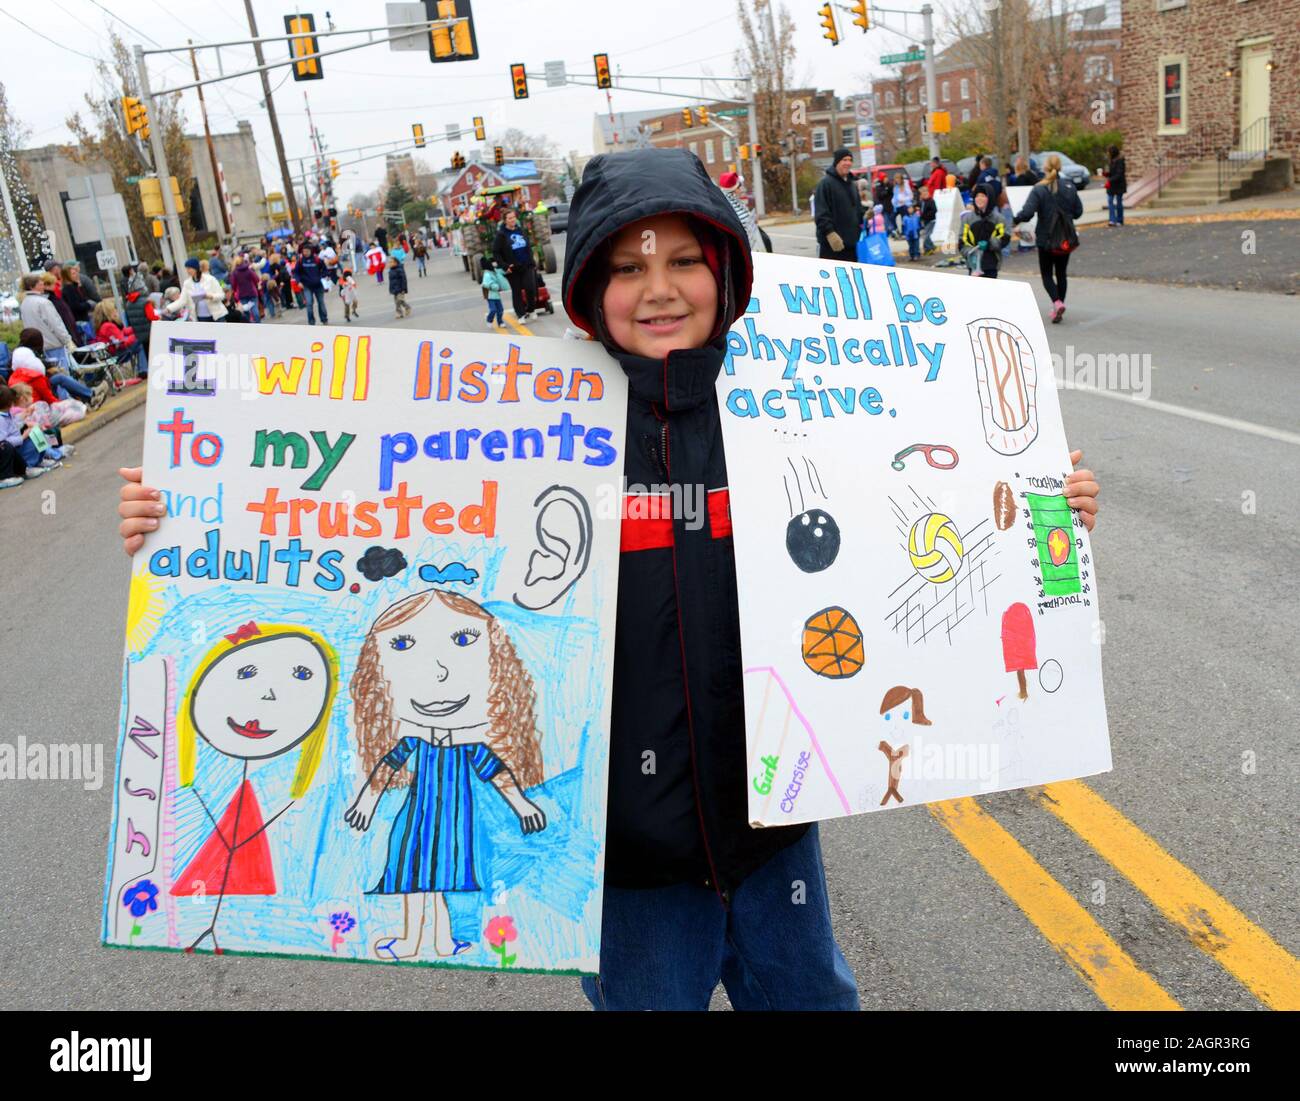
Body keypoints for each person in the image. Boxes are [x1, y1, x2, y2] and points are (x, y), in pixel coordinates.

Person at [116, 146, 1104, 1012]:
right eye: (627, 269)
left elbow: (920, 513)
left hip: (772, 840)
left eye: (684, 260)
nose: (660, 286)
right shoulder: (527, 440)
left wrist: (1038, 509)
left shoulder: (795, 416)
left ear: (724, 272)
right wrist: (186, 521)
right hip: (624, 869)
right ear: (587, 290)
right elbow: (356, 546)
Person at [1013, 153, 1084, 322]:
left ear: (1044, 168)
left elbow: (1028, 213)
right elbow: (1078, 212)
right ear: (1060, 167)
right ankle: (1058, 305)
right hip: (1066, 237)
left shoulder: (1039, 189)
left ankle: (1057, 302)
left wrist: (1015, 219)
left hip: (1046, 238)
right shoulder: (1069, 186)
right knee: (1061, 274)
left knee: (1046, 274)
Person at [8, 330, 104, 407]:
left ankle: (88, 397)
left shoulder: (18, 354)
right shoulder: (29, 356)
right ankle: (90, 395)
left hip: (29, 388)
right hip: (35, 392)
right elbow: (39, 372)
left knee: (59, 377)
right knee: (60, 377)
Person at [18, 272, 75, 370]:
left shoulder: (24, 303)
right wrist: (67, 340)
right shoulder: (43, 303)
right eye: (40, 283)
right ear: (32, 286)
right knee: (62, 372)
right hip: (53, 345)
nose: (43, 285)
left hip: (38, 347)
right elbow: (56, 324)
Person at [813, 148, 860, 262]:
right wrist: (830, 233)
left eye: (850, 160)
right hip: (832, 245)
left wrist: (865, 215)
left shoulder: (852, 185)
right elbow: (821, 213)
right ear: (837, 162)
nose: (848, 163)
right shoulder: (825, 184)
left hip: (851, 244)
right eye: (844, 160)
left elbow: (855, 209)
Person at [493, 208, 538, 322]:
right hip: (513, 268)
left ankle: (531, 309)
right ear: (505, 220)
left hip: (526, 265)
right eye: (509, 218)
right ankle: (521, 314)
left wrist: (532, 261)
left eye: (513, 217)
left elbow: (528, 247)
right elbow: (496, 252)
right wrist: (504, 266)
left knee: (530, 288)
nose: (512, 220)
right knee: (516, 291)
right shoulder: (501, 235)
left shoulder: (521, 230)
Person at [960, 183, 1009, 279]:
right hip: (973, 265)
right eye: (977, 196)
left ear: (989, 198)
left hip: (991, 263)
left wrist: (990, 243)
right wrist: (972, 254)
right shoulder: (968, 218)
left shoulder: (998, 218)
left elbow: (1005, 238)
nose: (979, 199)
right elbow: (961, 241)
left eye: (983, 196)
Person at [92, 300, 147, 376]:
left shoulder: (104, 325)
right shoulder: (108, 326)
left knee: (140, 342)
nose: (116, 310)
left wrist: (139, 328)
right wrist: (138, 335)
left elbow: (123, 331)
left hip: (112, 353)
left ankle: (143, 369)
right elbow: (123, 343)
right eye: (114, 309)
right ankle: (143, 370)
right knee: (141, 340)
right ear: (109, 312)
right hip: (116, 354)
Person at [717, 171, 763, 253]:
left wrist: (753, 220)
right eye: (739, 187)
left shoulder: (735, 201)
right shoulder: (728, 205)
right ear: (733, 189)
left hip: (749, 244)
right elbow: (740, 225)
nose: (741, 189)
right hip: (742, 249)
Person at [172, 258, 228, 323]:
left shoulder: (210, 279)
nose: (187, 271)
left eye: (189, 268)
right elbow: (182, 300)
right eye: (186, 268)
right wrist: (169, 309)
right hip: (201, 317)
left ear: (196, 268)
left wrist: (210, 296)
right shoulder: (187, 283)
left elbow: (221, 295)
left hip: (217, 315)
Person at [293, 243, 329, 326]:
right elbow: (296, 273)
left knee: (321, 302)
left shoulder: (317, 260)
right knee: (309, 303)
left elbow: (324, 270)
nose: (305, 253)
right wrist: (298, 282)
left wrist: (324, 276)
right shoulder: (301, 261)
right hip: (307, 286)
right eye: (303, 251)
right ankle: (311, 322)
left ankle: (324, 319)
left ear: (310, 251)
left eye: (306, 251)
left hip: (318, 285)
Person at [230, 253, 262, 323]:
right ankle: (259, 324)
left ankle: (249, 326)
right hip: (252, 292)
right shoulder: (248, 270)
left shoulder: (234, 273)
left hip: (242, 294)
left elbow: (233, 285)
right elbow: (256, 279)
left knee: (245, 311)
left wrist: (235, 290)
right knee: (255, 309)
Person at [1102, 144, 1126, 227]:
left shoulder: (1120, 161)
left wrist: (1110, 180)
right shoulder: (1111, 161)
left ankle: (1120, 220)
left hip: (1119, 185)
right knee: (1110, 201)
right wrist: (1106, 174)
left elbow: (1119, 174)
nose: (1108, 153)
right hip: (1112, 186)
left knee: (1119, 202)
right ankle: (1112, 220)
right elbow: (1111, 173)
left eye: (1109, 152)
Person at [480, 259, 508, 328]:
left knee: (500, 310)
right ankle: (489, 320)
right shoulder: (487, 274)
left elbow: (501, 272)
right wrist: (495, 286)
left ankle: (500, 322)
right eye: (493, 263)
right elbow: (486, 284)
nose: (495, 264)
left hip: (496, 295)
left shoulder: (494, 271)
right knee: (493, 310)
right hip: (490, 296)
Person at [387, 253, 412, 319]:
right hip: (394, 289)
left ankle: (407, 307)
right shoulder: (390, 271)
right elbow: (391, 282)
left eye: (391, 262)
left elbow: (404, 280)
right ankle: (400, 313)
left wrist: (404, 288)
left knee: (400, 300)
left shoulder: (400, 270)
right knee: (396, 302)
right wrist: (391, 289)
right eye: (389, 262)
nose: (389, 264)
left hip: (400, 288)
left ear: (396, 263)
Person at [891, 172, 914, 236]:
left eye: (898, 179)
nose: (897, 180)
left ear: (901, 179)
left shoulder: (906, 186)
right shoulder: (895, 187)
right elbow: (894, 196)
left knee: (904, 218)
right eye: (896, 179)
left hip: (905, 205)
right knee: (892, 217)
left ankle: (904, 231)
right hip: (897, 205)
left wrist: (903, 200)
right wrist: (893, 201)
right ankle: (896, 230)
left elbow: (910, 196)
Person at [917, 185, 938, 255]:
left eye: (926, 193)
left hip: (931, 220)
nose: (924, 195)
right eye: (922, 194)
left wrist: (925, 215)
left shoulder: (931, 201)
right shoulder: (922, 202)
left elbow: (934, 210)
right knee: (927, 234)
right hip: (925, 220)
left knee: (926, 235)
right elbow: (920, 209)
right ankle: (932, 246)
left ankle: (928, 248)